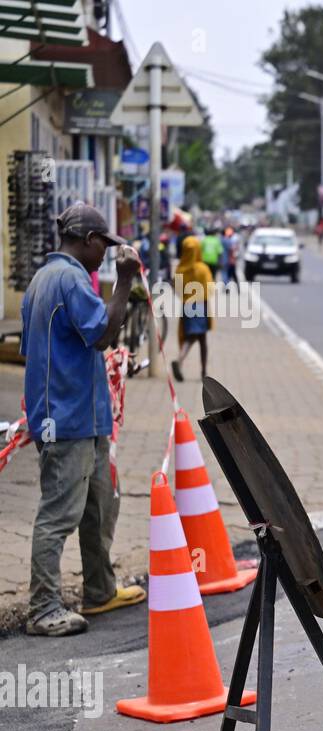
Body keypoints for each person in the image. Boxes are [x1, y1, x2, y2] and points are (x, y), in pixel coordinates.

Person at [20, 203, 147, 636]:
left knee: (98, 508)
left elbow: (63, 345)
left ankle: (99, 589)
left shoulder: (41, 280)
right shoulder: (72, 279)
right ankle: (43, 607)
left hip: (80, 416)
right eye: (105, 247)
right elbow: (101, 334)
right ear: (90, 240)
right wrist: (126, 279)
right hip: (67, 417)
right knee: (59, 514)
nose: (106, 255)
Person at [171, 235, 215, 382]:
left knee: (192, 335)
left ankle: (196, 368)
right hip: (200, 305)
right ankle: (193, 366)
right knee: (199, 338)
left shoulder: (180, 269)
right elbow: (210, 288)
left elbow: (177, 289)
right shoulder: (202, 269)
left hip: (186, 305)